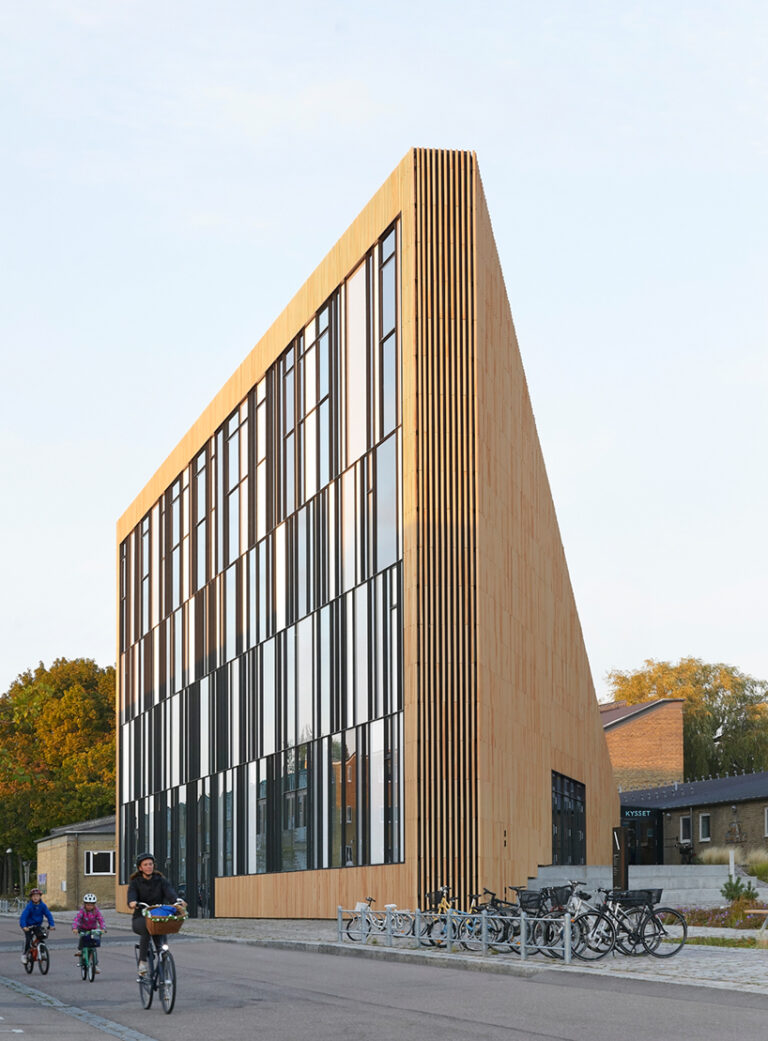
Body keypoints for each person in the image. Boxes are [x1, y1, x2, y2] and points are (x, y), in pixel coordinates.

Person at [126, 852, 185, 975]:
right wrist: (133, 902)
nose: (149, 866)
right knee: (147, 929)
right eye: (145, 864)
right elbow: (131, 896)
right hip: (140, 917)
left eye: (151, 864)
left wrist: (176, 901)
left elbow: (170, 892)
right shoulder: (135, 883)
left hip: (158, 917)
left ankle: (164, 963)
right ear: (140, 868)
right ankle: (142, 962)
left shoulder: (161, 881)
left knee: (162, 941)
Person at [72, 893, 106, 973]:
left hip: (92, 929)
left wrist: (102, 928)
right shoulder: (82, 911)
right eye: (88, 904)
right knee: (83, 938)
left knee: (93, 946)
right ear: (85, 904)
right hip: (83, 928)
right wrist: (75, 928)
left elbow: (100, 919)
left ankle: (95, 965)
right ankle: (80, 950)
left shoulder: (96, 911)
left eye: (91, 905)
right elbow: (77, 919)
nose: (89, 906)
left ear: (94, 905)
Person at [19, 888, 55, 963]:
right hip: (28, 926)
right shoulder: (29, 906)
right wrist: (24, 926)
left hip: (37, 925)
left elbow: (48, 915)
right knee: (28, 940)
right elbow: (23, 917)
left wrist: (51, 925)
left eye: (37, 896)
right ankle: (25, 955)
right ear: (31, 897)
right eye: (34, 896)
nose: (35, 897)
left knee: (42, 936)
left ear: (40, 897)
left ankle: (42, 952)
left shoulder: (43, 906)